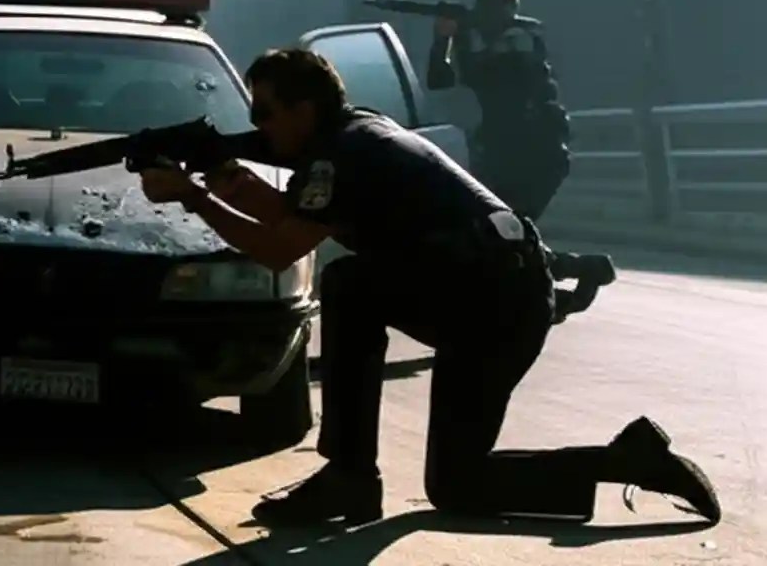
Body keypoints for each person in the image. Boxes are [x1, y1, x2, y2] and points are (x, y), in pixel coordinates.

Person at [135, 47, 721, 527]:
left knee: (348, 284)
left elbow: (278, 250)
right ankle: (625, 461)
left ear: (304, 109)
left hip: (496, 307)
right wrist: (222, 176)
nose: (257, 127)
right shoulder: (354, 138)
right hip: (493, 298)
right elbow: (292, 219)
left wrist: (193, 196)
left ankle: (349, 477)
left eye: (265, 113)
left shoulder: (343, 154)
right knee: (458, 485)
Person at [426, 0, 571, 220]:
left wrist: (457, 38)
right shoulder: (502, 45)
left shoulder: (522, 42)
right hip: (509, 151)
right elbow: (439, 80)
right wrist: (444, 39)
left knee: (508, 223)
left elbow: (486, 76)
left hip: (533, 152)